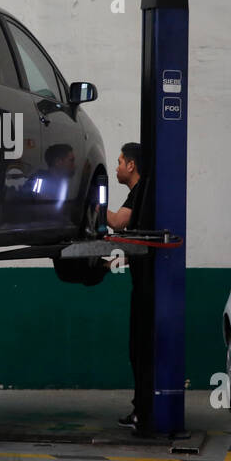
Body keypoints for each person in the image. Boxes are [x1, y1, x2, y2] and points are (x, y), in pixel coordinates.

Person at [108, 143, 151, 432]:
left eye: (121, 161)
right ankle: (141, 408)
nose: (117, 166)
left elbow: (119, 222)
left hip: (148, 290)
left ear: (132, 166)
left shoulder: (140, 193)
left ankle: (145, 411)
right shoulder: (140, 193)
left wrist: (90, 207)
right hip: (142, 286)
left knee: (141, 349)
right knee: (137, 349)